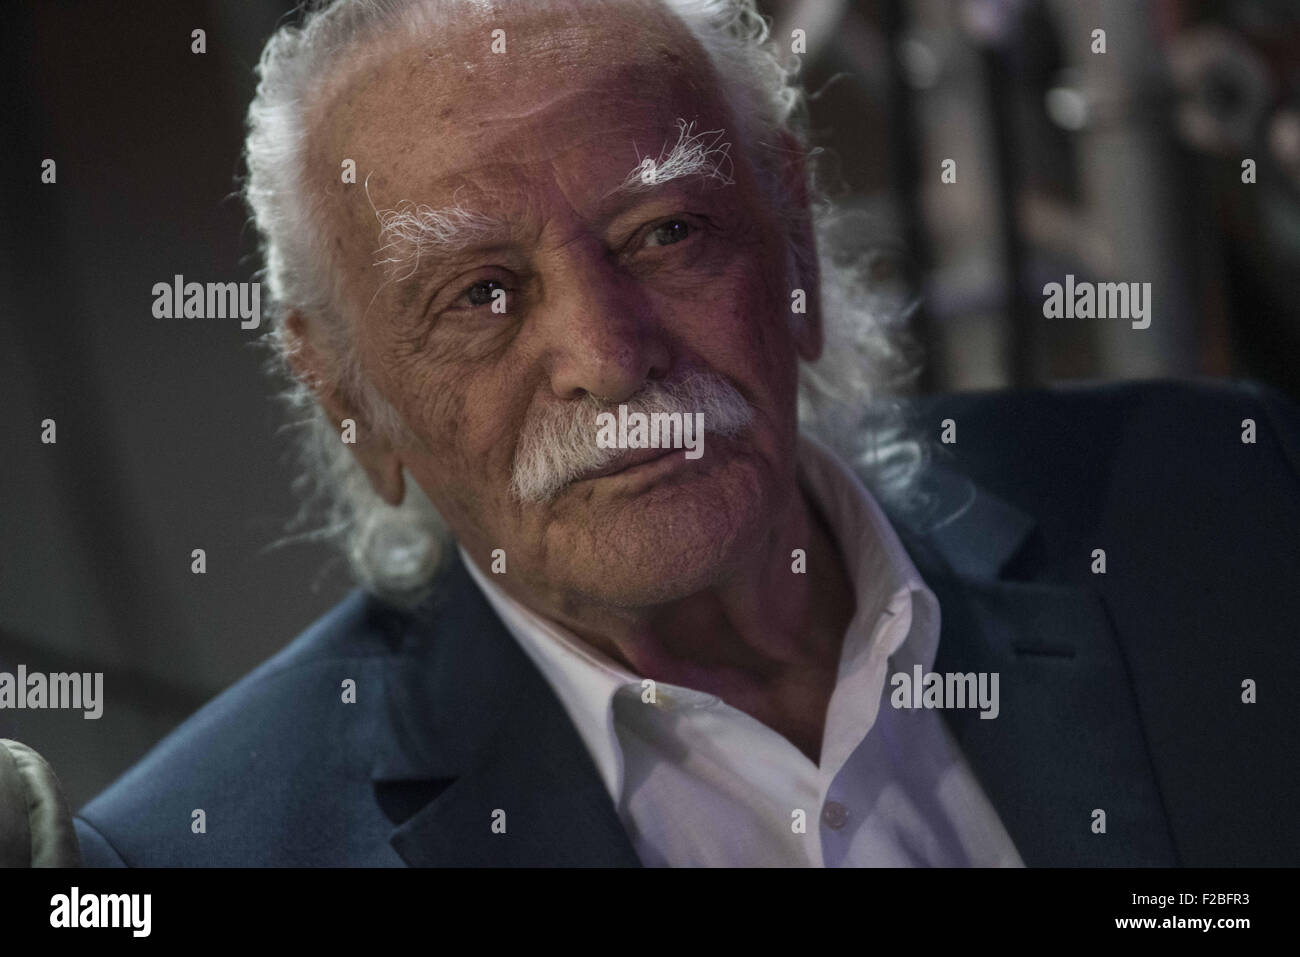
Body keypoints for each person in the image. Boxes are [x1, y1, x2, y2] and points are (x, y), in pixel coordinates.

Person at [73, 0, 1300, 867]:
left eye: (666, 234)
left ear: (797, 246)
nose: (610, 357)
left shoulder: (1220, 506)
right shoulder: (196, 854)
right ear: (347, 398)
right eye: (481, 295)